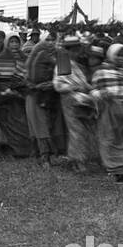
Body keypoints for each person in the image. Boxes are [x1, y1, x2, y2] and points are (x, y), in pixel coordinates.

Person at [90, 43, 123, 181]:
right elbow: (93, 91)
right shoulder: (100, 72)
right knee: (111, 139)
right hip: (109, 112)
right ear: (111, 55)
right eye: (118, 55)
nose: (121, 58)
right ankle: (116, 170)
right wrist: (101, 94)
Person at [53, 36, 99, 172]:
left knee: (84, 130)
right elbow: (59, 84)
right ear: (67, 50)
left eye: (76, 49)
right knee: (76, 130)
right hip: (70, 99)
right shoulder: (63, 63)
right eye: (72, 50)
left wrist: (89, 88)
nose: (75, 52)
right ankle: (78, 161)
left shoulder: (76, 65)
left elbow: (82, 83)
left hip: (82, 99)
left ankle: (81, 159)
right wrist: (76, 88)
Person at [23, 32, 65, 164]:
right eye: (48, 39)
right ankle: (43, 156)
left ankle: (54, 153)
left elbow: (64, 75)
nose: (51, 42)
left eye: (54, 39)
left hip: (52, 94)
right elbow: (29, 75)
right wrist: (37, 86)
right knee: (40, 125)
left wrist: (51, 84)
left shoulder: (61, 55)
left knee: (53, 125)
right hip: (35, 94)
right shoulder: (37, 54)